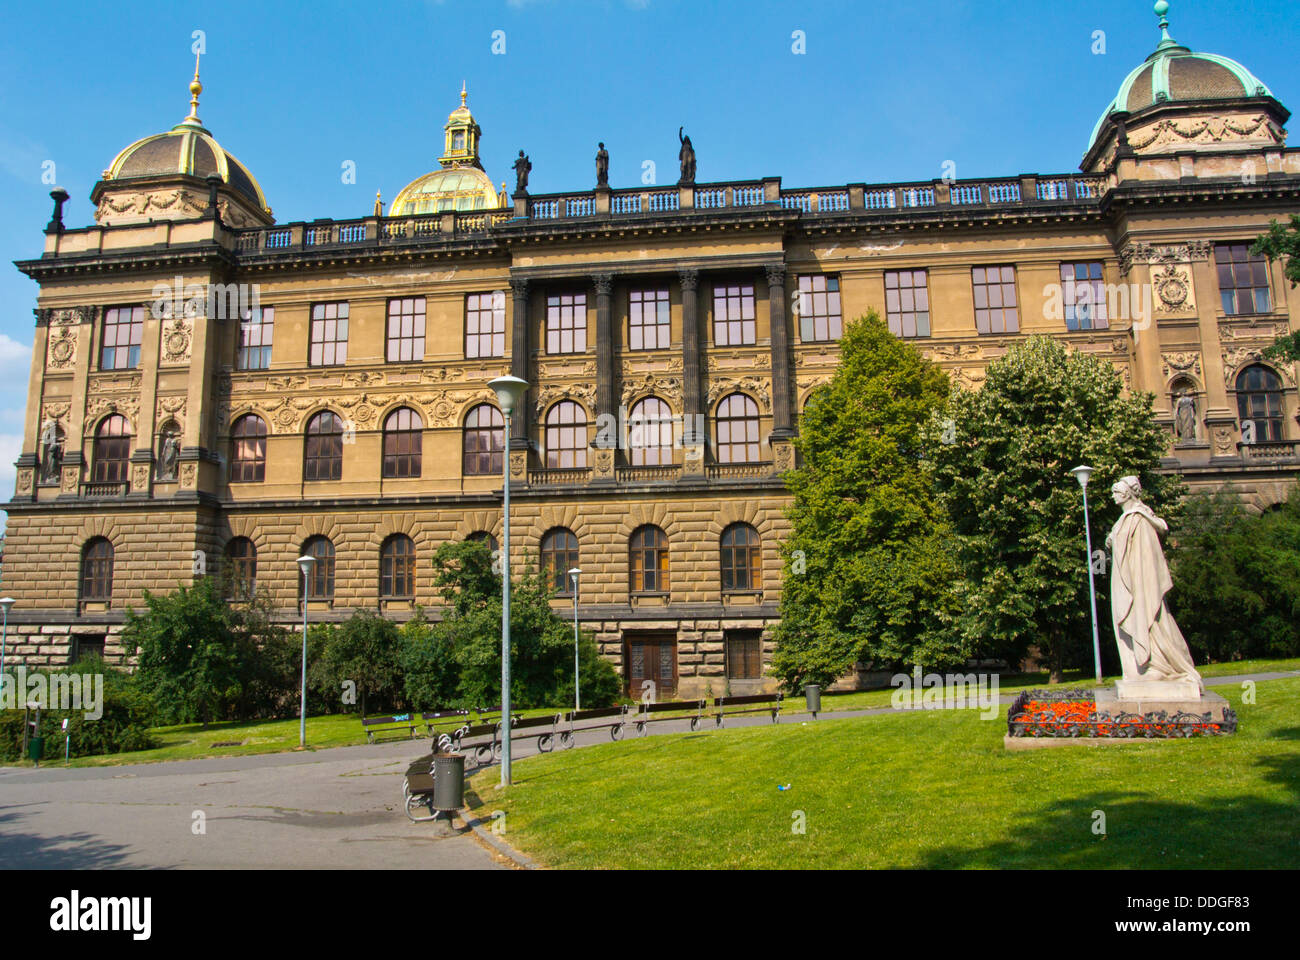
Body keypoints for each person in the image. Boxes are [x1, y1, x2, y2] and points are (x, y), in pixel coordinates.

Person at [1105, 475, 1203, 691]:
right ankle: (1149, 665)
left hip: (1139, 584)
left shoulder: (1139, 518)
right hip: (1128, 580)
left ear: (1126, 494)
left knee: (1148, 621)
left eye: (1115, 492)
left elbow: (1146, 557)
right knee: (1141, 620)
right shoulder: (1127, 519)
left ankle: (1156, 663)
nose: (1112, 496)